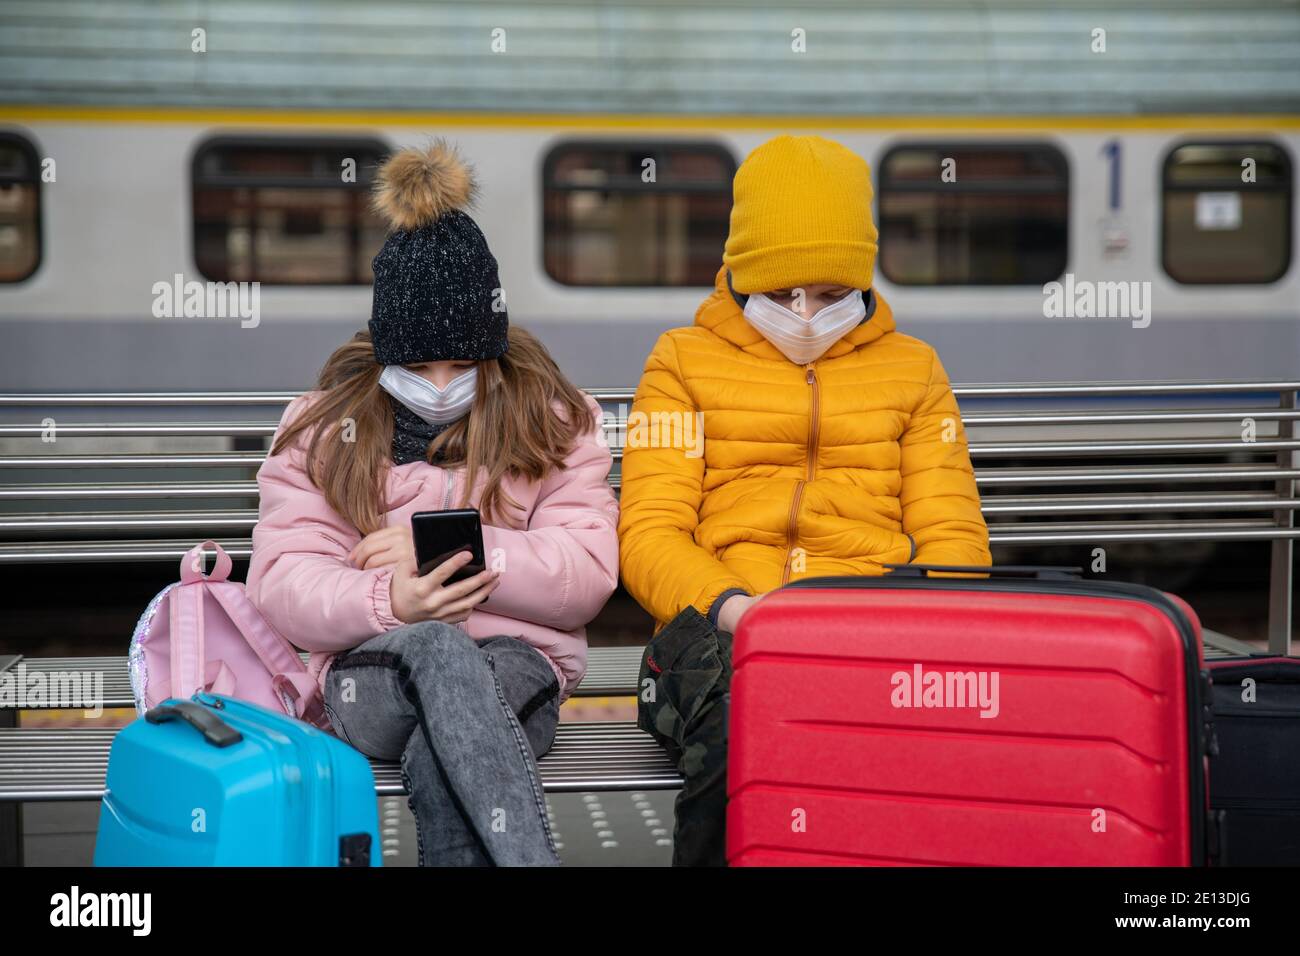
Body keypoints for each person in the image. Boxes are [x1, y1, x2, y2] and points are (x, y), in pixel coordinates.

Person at [618, 134, 991, 866]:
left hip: (874, 630)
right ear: (740, 278)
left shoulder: (914, 371)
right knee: (744, 728)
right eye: (783, 294)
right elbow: (651, 536)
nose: (807, 315)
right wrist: (738, 612)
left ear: (862, 284)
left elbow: (954, 538)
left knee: (920, 743)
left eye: (829, 294)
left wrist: (887, 625)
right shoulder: (680, 362)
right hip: (720, 634)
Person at [245, 142, 619, 866]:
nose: (442, 382)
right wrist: (395, 603)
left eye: (463, 363)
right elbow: (285, 583)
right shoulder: (324, 431)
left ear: (494, 350)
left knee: (446, 738)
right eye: (418, 366)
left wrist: (448, 550)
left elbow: (588, 573)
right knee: (440, 648)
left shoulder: (554, 420)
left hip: (521, 670)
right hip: (370, 678)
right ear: (385, 354)